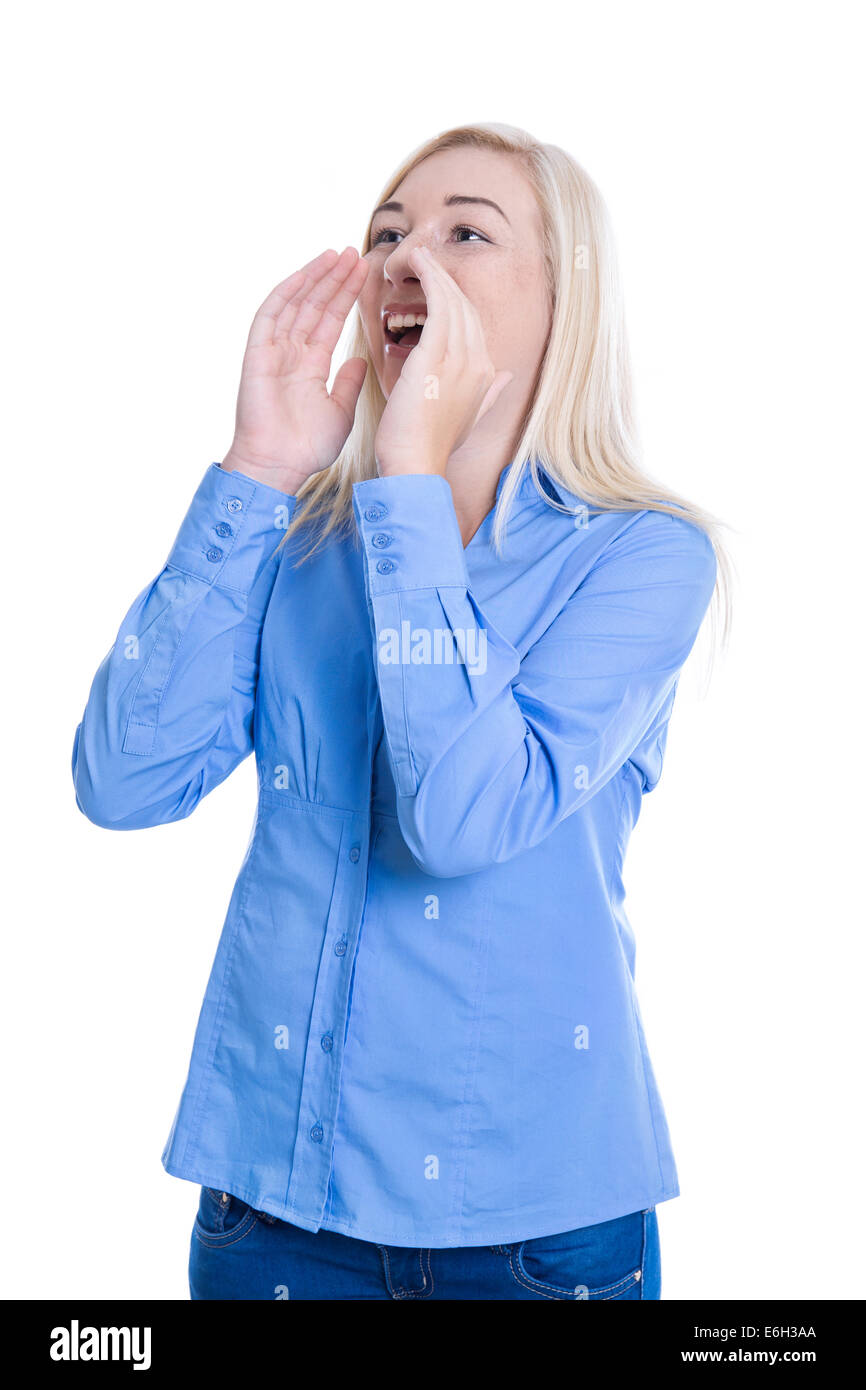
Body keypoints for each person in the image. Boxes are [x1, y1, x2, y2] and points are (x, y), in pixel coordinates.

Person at [71, 122, 729, 1300]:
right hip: (272, 1215)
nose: (404, 259)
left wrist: (409, 488)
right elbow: (123, 779)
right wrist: (260, 470)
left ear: (560, 297)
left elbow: (461, 821)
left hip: (534, 1238)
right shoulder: (296, 539)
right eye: (386, 233)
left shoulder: (643, 558)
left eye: (464, 231)